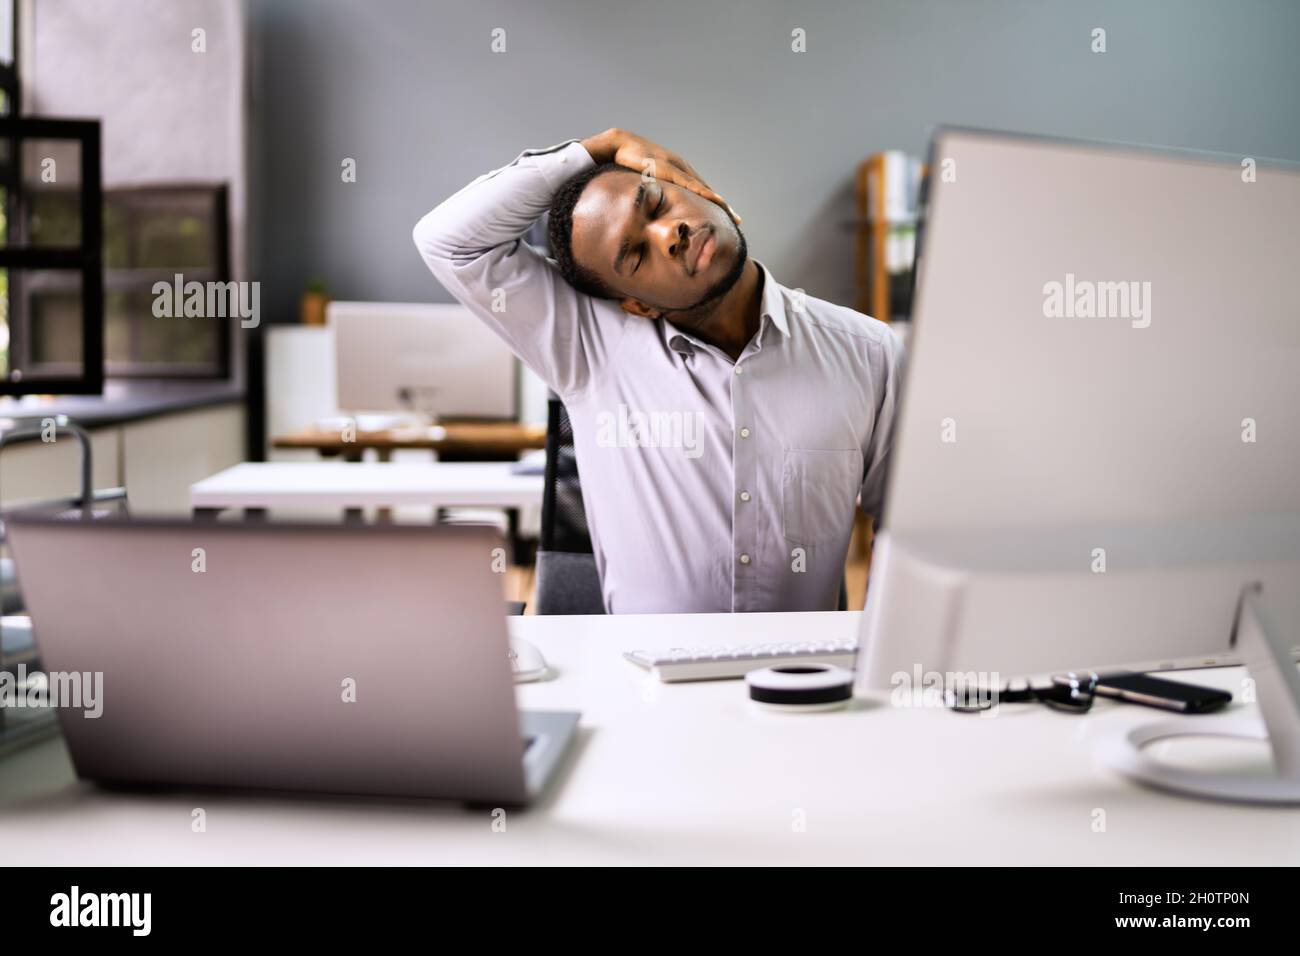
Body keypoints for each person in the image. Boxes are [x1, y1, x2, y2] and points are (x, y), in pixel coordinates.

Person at [413, 128, 902, 613]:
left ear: (687, 183)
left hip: (800, 680)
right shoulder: (587, 345)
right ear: (636, 305)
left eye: (656, 202)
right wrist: (596, 148)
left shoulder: (868, 351)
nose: (670, 233)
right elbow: (446, 241)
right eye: (636, 254)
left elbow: (906, 533)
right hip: (646, 682)